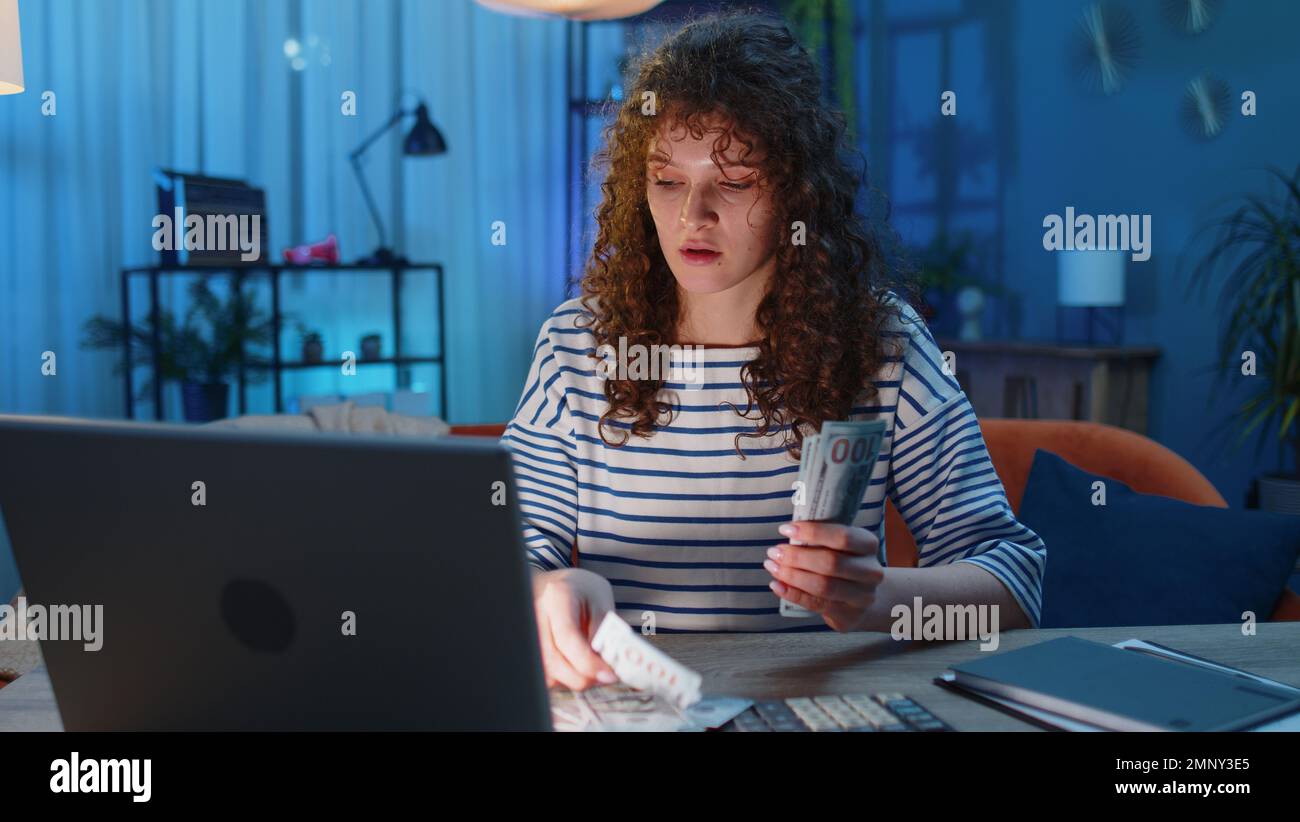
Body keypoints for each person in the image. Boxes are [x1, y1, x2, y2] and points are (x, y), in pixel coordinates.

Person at [504, 12, 1046, 691]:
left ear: (797, 189)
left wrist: (876, 598)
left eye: (734, 183)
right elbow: (503, 560)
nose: (690, 217)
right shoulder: (575, 348)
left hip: (826, 706)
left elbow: (1015, 584)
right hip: (636, 708)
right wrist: (545, 588)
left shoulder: (884, 345)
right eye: (667, 181)